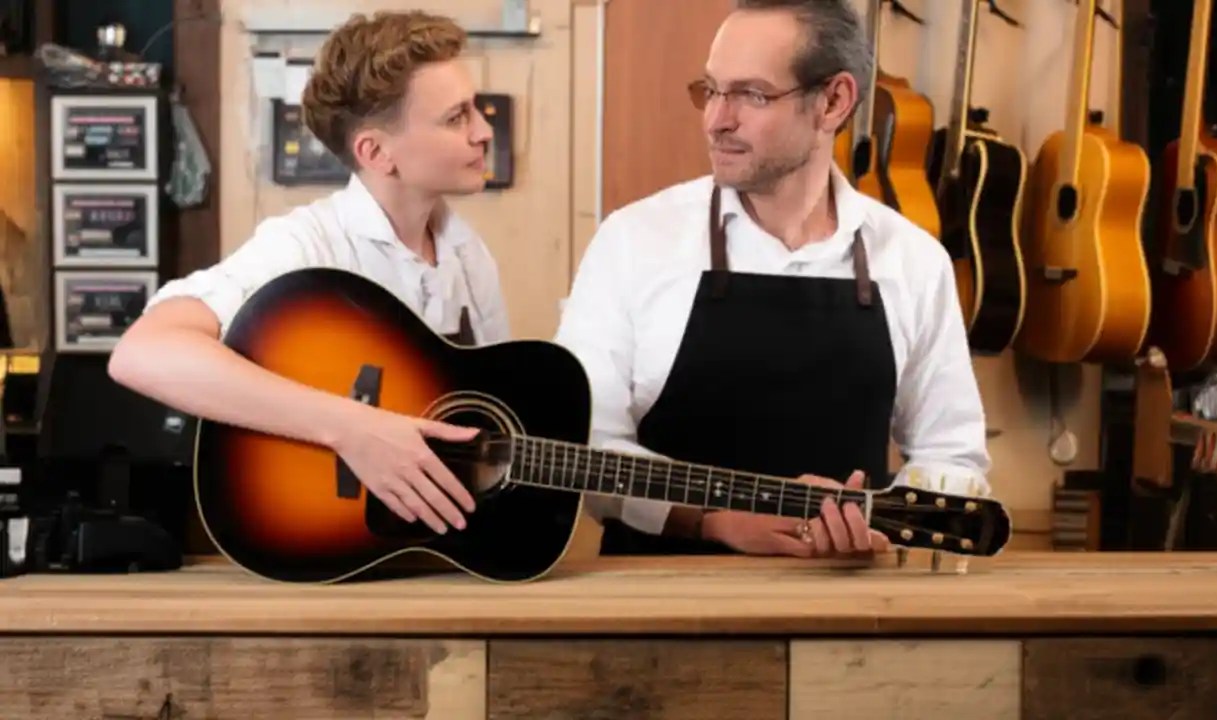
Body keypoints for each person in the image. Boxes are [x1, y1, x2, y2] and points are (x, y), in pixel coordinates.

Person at [554, 0, 991, 558]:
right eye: (711, 90)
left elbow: (951, 454)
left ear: (833, 101)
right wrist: (711, 519)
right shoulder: (634, 242)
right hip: (659, 608)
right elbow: (585, 443)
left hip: (846, 609)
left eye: (752, 95)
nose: (717, 120)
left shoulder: (912, 261)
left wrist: (878, 521)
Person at [108, 11, 508, 537]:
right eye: (456, 118)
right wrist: (353, 429)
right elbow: (144, 352)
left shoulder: (467, 254)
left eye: (476, 110)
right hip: (326, 546)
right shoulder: (306, 243)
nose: (483, 131)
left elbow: (493, 418)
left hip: (432, 550)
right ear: (375, 152)